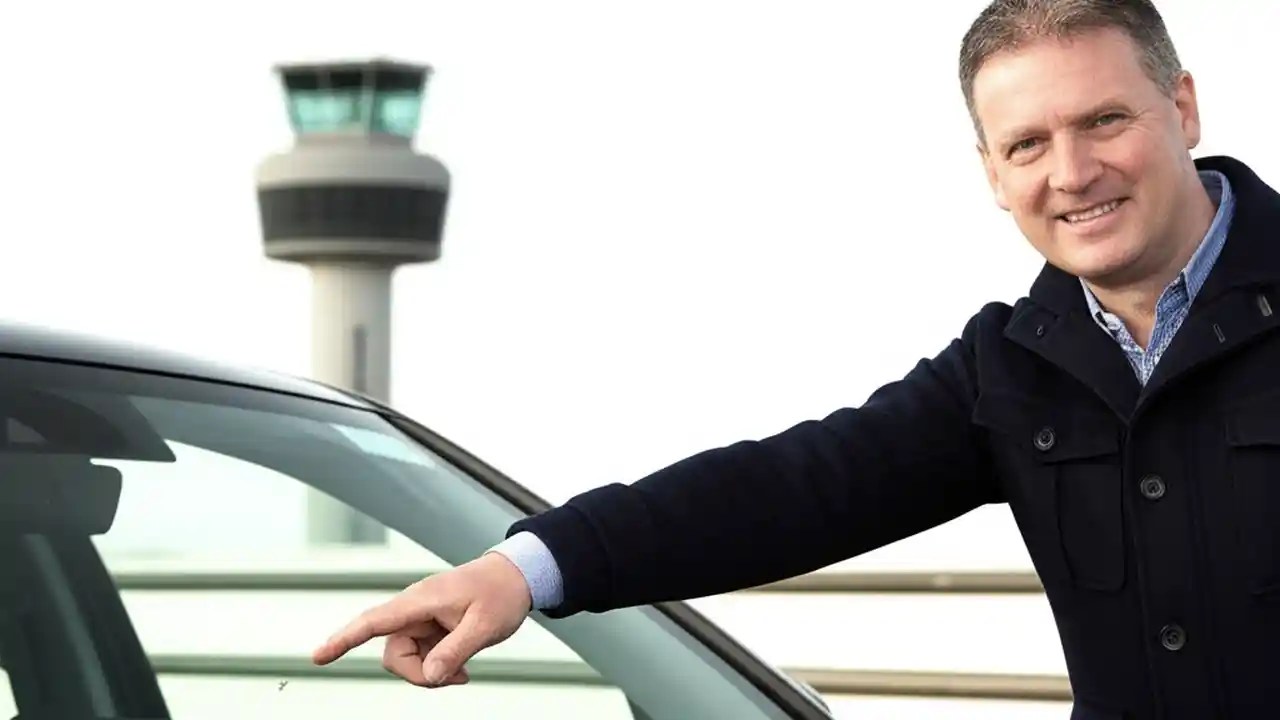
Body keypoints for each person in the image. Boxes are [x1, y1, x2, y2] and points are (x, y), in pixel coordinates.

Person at [314, 1, 1280, 716]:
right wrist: (525, 569)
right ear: (992, 172)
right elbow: (791, 487)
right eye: (1028, 143)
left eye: (1104, 120)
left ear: (1182, 109)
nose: (1071, 173)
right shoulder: (1015, 365)